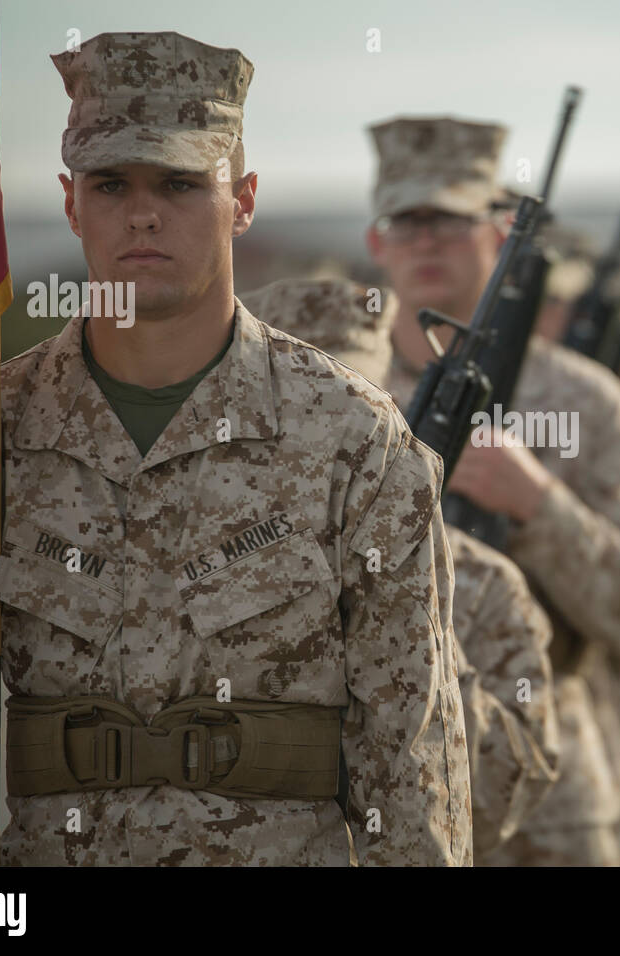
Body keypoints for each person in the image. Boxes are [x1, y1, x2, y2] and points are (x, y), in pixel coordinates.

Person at [0, 31, 470, 867]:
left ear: (244, 199)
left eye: (182, 183)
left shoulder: (354, 440)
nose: (143, 213)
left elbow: (412, 759)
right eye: (111, 183)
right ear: (71, 202)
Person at [365, 115, 620, 864]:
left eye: (449, 218)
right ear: (377, 243)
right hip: (377, 801)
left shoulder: (589, 403)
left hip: (550, 801)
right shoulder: (335, 397)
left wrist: (539, 503)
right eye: (404, 221)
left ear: (502, 232)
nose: (426, 241)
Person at [239, 276, 563, 856]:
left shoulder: (484, 584)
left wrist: (417, 623)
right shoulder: (209, 571)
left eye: (350, 408)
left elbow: (500, 800)